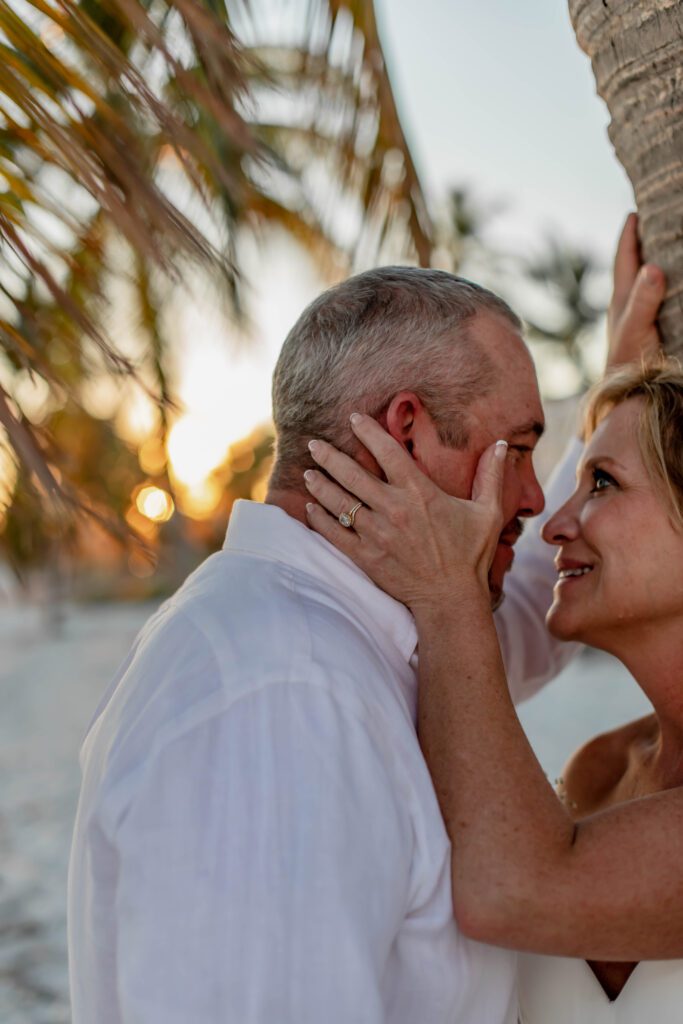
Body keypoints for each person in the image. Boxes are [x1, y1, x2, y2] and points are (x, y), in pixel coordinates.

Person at [69, 260, 584, 1023]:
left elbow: (518, 622)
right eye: (518, 448)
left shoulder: (368, 631)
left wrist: (618, 397)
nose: (536, 498)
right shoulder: (284, 697)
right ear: (403, 434)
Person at [303, 258, 683, 1016]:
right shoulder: (598, 771)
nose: (551, 521)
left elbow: (518, 887)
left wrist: (447, 597)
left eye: (600, 483)